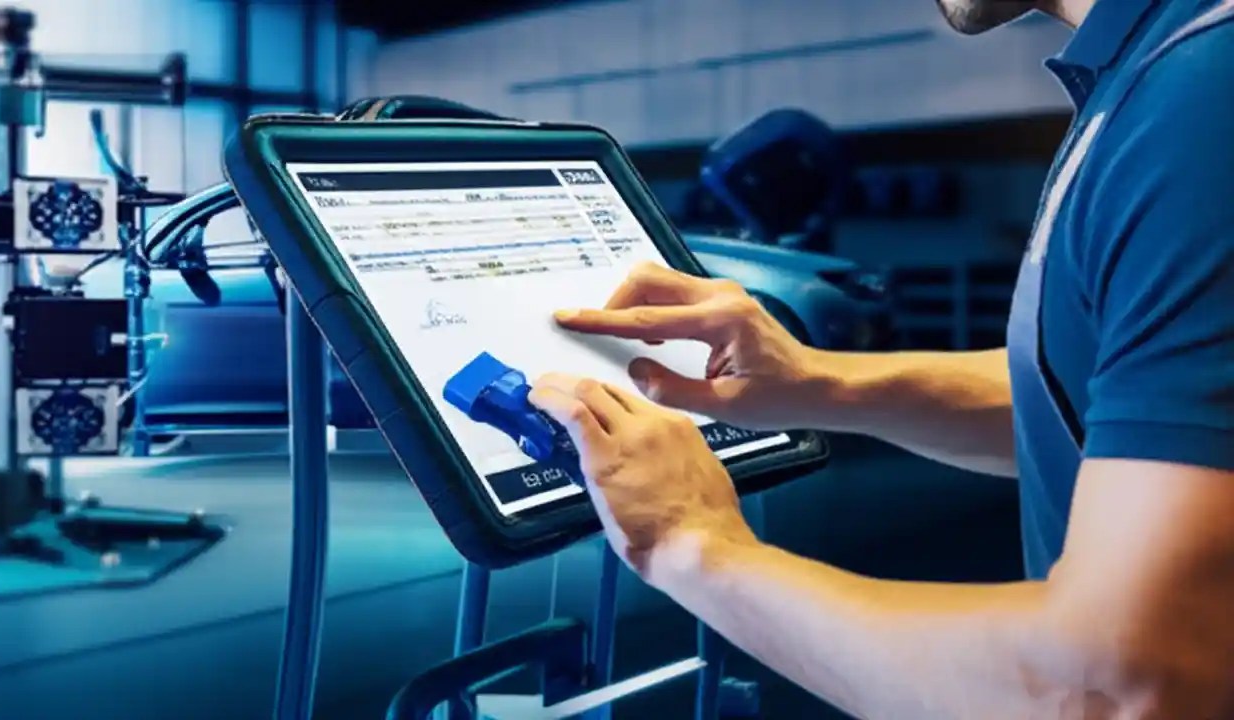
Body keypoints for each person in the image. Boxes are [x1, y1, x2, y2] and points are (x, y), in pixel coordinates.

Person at [528, 0, 1234, 717]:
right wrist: (818, 381)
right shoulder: (1160, 66)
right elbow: (1105, 395)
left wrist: (690, 543)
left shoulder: (1201, 96)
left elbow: (1122, 684)